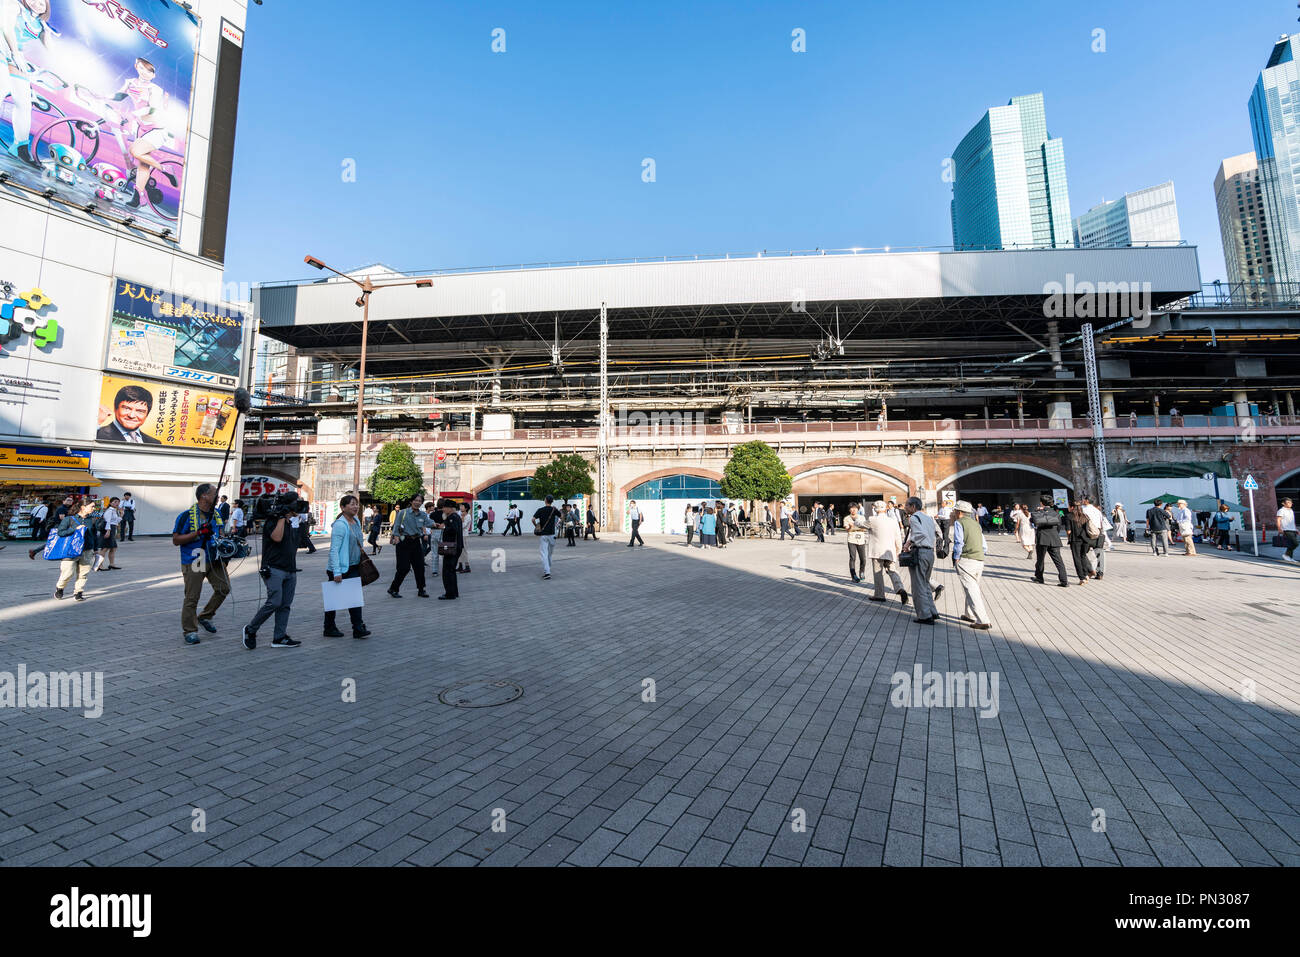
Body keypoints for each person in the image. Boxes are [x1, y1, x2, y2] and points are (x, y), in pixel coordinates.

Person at [240, 492, 302, 650]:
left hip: (290, 569)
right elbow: (276, 538)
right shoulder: (273, 520)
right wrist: (281, 517)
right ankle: (251, 629)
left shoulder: (291, 521)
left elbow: (297, 543)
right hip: (274, 568)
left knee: (285, 605)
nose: (299, 506)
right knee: (274, 602)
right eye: (297, 503)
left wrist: (294, 521)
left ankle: (279, 637)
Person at [172, 483, 231, 645]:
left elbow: (220, 535)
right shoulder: (186, 516)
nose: (218, 497)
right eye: (214, 494)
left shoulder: (216, 514)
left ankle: (205, 616)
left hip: (215, 559)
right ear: (204, 496)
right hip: (195, 559)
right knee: (192, 597)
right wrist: (198, 533)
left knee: (224, 588)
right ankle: (190, 630)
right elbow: (176, 540)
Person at [0, 0, 52, 172]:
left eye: (41, 1)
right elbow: (7, 28)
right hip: (3, 47)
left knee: (24, 101)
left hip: (16, 55)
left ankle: (20, 147)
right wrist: (15, 54)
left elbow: (50, 50)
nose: (36, 3)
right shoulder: (12, 5)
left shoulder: (41, 24)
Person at [322, 494, 371, 639]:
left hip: (354, 566)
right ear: (343, 507)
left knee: (354, 599)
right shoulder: (339, 525)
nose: (355, 506)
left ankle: (358, 628)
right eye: (352, 504)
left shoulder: (355, 521)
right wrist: (337, 571)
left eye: (356, 504)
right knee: (333, 601)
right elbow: (334, 550)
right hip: (339, 568)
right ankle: (329, 627)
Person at [950, 501, 990, 630]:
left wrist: (956, 557)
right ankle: (970, 614)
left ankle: (983, 620)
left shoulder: (959, 523)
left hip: (967, 559)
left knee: (972, 590)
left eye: (955, 511)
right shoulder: (976, 524)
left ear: (959, 512)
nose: (954, 513)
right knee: (972, 586)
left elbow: (959, 542)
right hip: (979, 559)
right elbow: (984, 545)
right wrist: (982, 554)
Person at [901, 498, 938, 624]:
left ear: (913, 506)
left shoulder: (914, 518)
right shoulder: (928, 518)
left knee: (918, 586)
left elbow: (920, 534)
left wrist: (908, 543)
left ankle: (924, 615)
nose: (905, 507)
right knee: (925, 583)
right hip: (930, 552)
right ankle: (932, 611)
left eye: (907, 505)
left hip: (920, 552)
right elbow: (936, 533)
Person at [388, 492, 432, 598]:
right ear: (411, 501)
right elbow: (396, 526)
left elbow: (429, 522)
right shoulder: (403, 512)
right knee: (404, 567)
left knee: (420, 567)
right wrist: (396, 537)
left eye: (419, 501)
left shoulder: (423, 515)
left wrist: (437, 524)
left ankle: (421, 589)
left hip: (416, 542)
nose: (417, 502)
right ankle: (393, 588)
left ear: (421, 503)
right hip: (403, 542)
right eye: (415, 500)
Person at [52, 498, 96, 602]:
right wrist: (74, 530)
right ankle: (60, 588)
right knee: (68, 572)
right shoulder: (69, 519)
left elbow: (94, 535)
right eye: (92, 506)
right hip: (70, 550)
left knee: (83, 573)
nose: (94, 508)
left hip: (87, 550)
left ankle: (78, 592)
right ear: (83, 507)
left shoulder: (92, 520)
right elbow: (60, 532)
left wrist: (96, 549)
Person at [866, 501, 907, 603]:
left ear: (875, 509)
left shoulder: (872, 520)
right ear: (885, 509)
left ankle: (879, 595)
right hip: (890, 551)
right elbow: (898, 537)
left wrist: (856, 520)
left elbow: (860, 524)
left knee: (878, 573)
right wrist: (898, 550)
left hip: (876, 551)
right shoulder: (892, 521)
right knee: (892, 571)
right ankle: (900, 588)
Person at [96, 384, 161, 443]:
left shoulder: (155, 443)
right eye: (127, 408)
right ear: (115, 408)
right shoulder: (97, 434)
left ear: (147, 414)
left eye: (140, 411)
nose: (131, 415)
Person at [1031, 495, 1070, 587]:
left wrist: (1038, 510)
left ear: (1041, 503)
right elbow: (1059, 526)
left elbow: (1032, 520)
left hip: (1042, 538)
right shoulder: (1056, 513)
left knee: (1040, 559)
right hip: (1054, 538)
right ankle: (1064, 581)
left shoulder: (1038, 512)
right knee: (1058, 561)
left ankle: (1039, 577)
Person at [436, 498, 465, 599]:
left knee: (447, 570)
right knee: (451, 570)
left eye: (444, 507)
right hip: (456, 547)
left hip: (452, 547)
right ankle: (453, 592)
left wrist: (443, 527)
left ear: (450, 508)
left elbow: (453, 530)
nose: (443, 509)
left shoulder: (452, 517)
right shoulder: (455, 516)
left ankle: (449, 593)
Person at [29, 495, 73, 559]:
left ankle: (35, 551)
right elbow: (62, 518)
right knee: (53, 541)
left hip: (63, 527)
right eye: (68, 500)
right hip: (60, 527)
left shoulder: (67, 508)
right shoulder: (62, 508)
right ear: (63, 501)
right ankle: (35, 551)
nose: (70, 501)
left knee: (56, 541)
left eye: (71, 500)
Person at [533, 495, 561, 579]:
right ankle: (548, 568)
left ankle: (547, 572)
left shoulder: (540, 510)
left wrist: (537, 526)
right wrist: (556, 524)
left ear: (545, 500)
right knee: (550, 554)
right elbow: (561, 517)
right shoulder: (554, 509)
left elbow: (533, 519)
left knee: (544, 554)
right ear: (552, 501)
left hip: (543, 535)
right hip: (552, 535)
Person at [1080, 496, 1107, 582]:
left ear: (1087, 501)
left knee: (1082, 553)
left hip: (1087, 534)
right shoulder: (1097, 511)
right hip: (1098, 533)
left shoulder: (1083, 509)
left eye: (1084, 499)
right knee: (1099, 553)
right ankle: (1100, 573)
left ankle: (1089, 570)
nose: (1082, 501)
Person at [1065, 502, 1091, 585]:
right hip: (1085, 540)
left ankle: (1081, 577)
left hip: (1075, 540)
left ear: (1072, 507)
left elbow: (1069, 531)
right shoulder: (1085, 516)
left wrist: (1068, 536)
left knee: (1077, 558)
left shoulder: (1069, 516)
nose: (1068, 508)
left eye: (1069, 506)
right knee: (1083, 556)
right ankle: (1086, 575)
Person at [843, 502, 869, 583]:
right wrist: (851, 527)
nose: (853, 510)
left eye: (855, 508)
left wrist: (854, 528)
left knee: (863, 559)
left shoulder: (862, 518)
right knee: (852, 558)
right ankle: (853, 575)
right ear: (849, 509)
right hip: (851, 540)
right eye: (852, 508)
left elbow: (865, 529)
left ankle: (861, 572)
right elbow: (847, 530)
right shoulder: (846, 518)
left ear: (858, 509)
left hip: (861, 540)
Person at [98, 496, 122, 571]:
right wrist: (108, 531)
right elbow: (107, 521)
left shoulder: (115, 511)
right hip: (108, 529)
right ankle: (99, 565)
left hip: (112, 529)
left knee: (113, 547)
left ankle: (112, 564)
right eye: (115, 502)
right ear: (110, 503)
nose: (117, 503)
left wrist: (121, 515)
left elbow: (116, 521)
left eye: (118, 502)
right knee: (105, 548)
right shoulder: (109, 511)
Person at [1277, 498, 1297, 562]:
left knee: (1291, 544)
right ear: (1283, 503)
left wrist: (1296, 529)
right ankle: (1286, 555)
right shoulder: (1281, 510)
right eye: (1288, 502)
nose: (1290, 504)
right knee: (1295, 543)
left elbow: (1292, 521)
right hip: (1286, 529)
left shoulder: (1291, 510)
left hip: (1293, 529)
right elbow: (1278, 520)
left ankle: (1290, 557)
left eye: (1291, 502)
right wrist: (1279, 529)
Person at [456, 502, 473, 572]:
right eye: (460, 506)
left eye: (462, 506)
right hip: (459, 535)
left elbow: (463, 526)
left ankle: (467, 566)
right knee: (459, 551)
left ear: (466, 508)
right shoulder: (459, 514)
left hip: (464, 535)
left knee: (464, 550)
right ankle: (460, 566)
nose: (460, 507)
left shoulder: (468, 516)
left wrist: (462, 517)